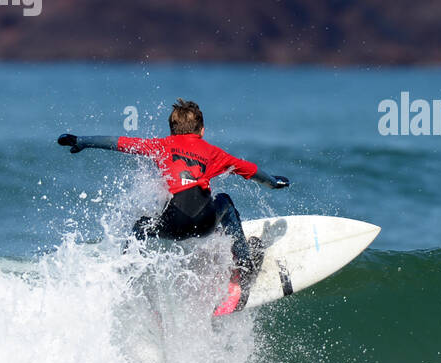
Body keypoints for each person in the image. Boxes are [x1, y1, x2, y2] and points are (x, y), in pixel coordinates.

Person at [56, 98, 289, 311]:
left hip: (173, 225)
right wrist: (273, 182)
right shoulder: (212, 152)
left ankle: (129, 279)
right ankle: (244, 265)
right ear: (202, 131)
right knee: (224, 201)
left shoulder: (160, 145)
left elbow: (119, 143)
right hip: (205, 223)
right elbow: (249, 169)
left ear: (172, 130)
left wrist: (82, 141)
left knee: (141, 227)